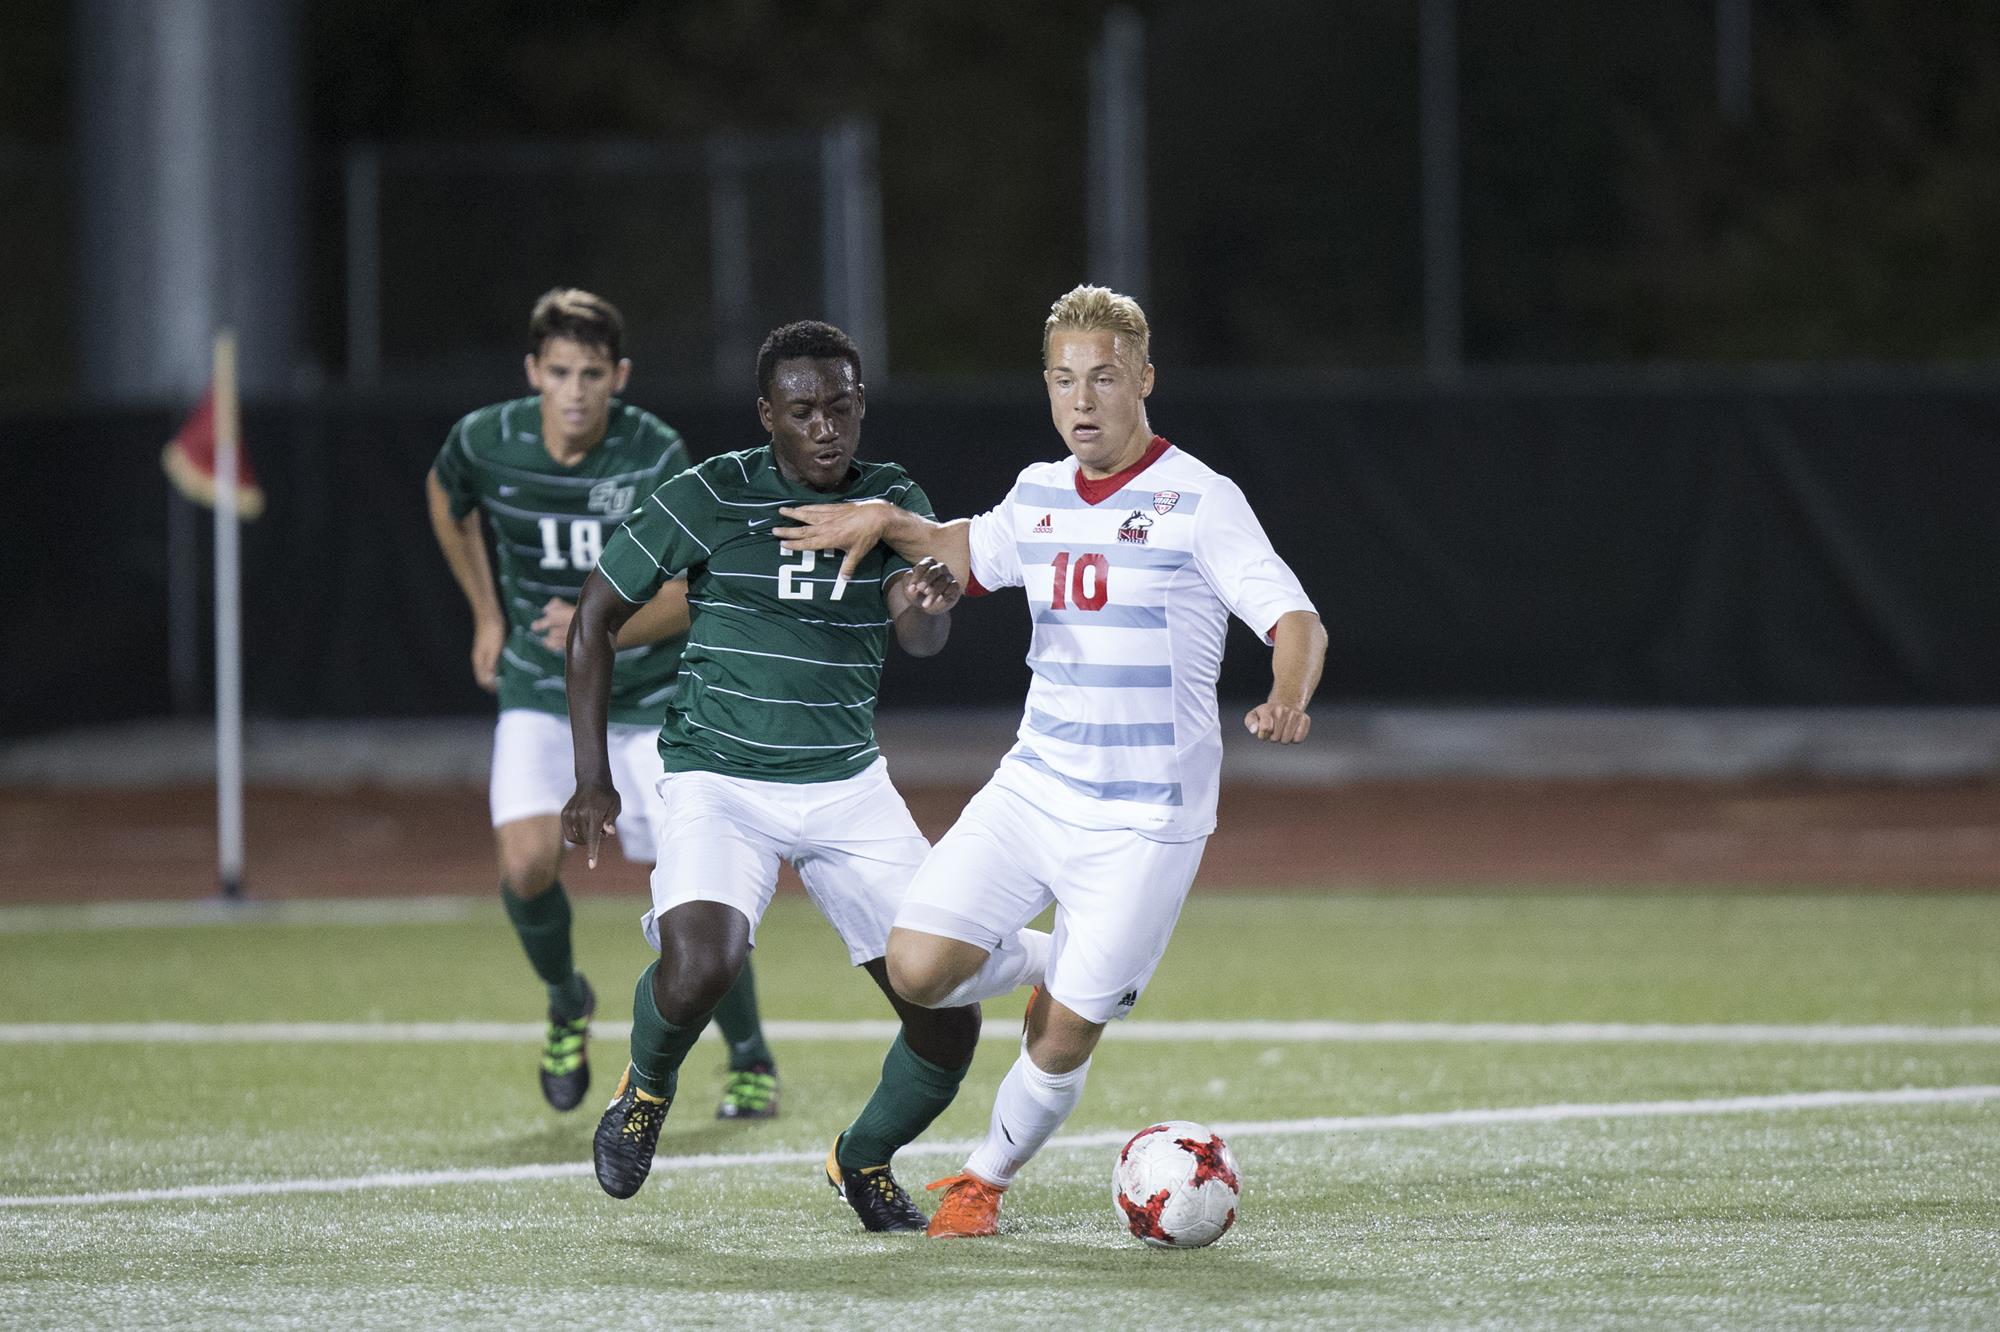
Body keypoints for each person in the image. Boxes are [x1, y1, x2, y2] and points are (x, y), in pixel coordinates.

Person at [774, 284, 1328, 1237]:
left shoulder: (1200, 499)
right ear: (1046, 386)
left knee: (1064, 1035)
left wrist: (1286, 696)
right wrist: (890, 525)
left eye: (1104, 379)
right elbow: (966, 552)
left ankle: (982, 1182)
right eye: (1065, 381)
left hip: (1146, 821)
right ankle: (1060, 965)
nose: (1083, 401)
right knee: (915, 967)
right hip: (1034, 787)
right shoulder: (1037, 492)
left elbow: (1295, 619)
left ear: (1144, 380)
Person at [563, 319, 1049, 1231]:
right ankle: (648, 1086)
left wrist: (925, 600)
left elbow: (921, 629)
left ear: (861, 404)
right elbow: (596, 619)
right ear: (766, 417)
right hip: (719, 776)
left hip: (847, 785)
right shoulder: (709, 494)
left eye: (841, 405)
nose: (826, 426)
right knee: (703, 962)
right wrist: (593, 776)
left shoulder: (892, 496)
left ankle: (861, 1159)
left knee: (943, 1013)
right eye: (803, 410)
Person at [426, 287, 782, 1120]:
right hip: (538, 689)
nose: (576, 391)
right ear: (533, 373)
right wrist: (487, 612)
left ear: (619, 375)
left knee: (696, 888)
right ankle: (564, 1002)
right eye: (559, 372)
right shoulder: (488, 440)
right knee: (523, 865)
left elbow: (703, 587)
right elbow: (447, 500)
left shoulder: (654, 453)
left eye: (592, 373)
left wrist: (599, 629)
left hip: (652, 694)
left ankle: (751, 1056)